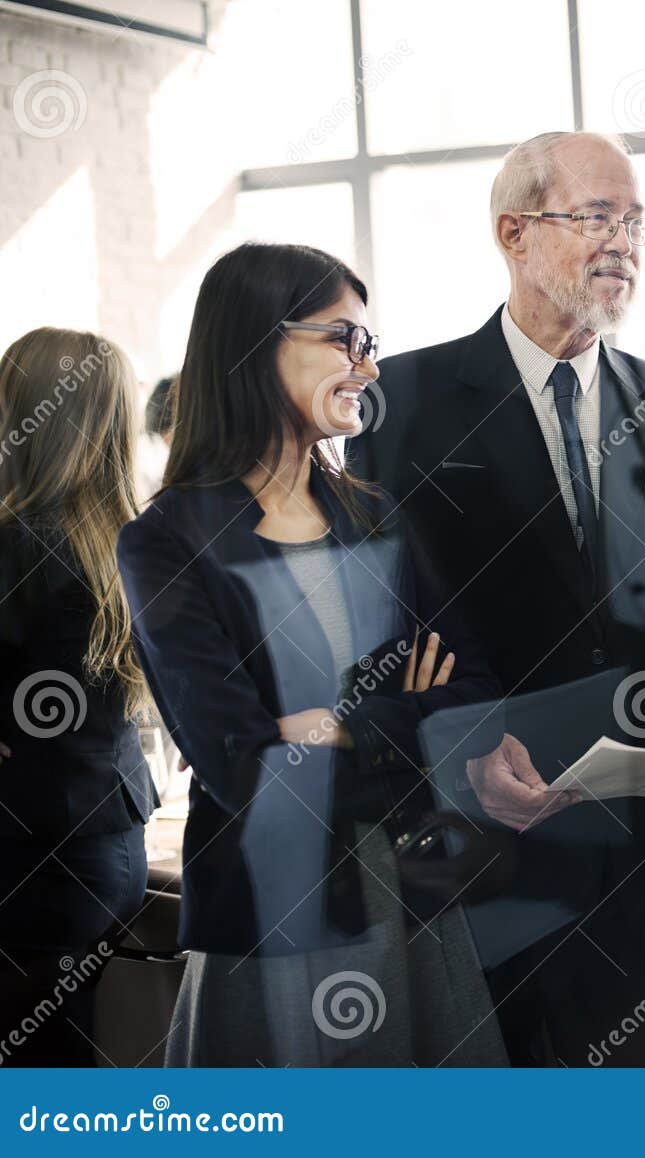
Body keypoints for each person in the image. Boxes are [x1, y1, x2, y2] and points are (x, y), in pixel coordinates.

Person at [346, 132, 645, 1066]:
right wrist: (464, 749)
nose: (623, 243)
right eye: (597, 216)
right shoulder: (405, 400)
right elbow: (376, 631)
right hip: (490, 853)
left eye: (635, 222)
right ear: (513, 233)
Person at [118, 243, 539, 1066]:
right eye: (344, 339)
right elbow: (240, 762)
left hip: (413, 898)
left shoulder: (377, 515)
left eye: (369, 343)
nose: (367, 368)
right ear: (255, 343)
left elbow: (478, 696)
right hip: (277, 912)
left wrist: (338, 724)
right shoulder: (164, 540)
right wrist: (405, 713)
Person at [0, 327, 156, 1065]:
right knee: (59, 1056)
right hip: (109, 844)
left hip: (30, 855)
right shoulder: (130, 542)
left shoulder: (17, 542)